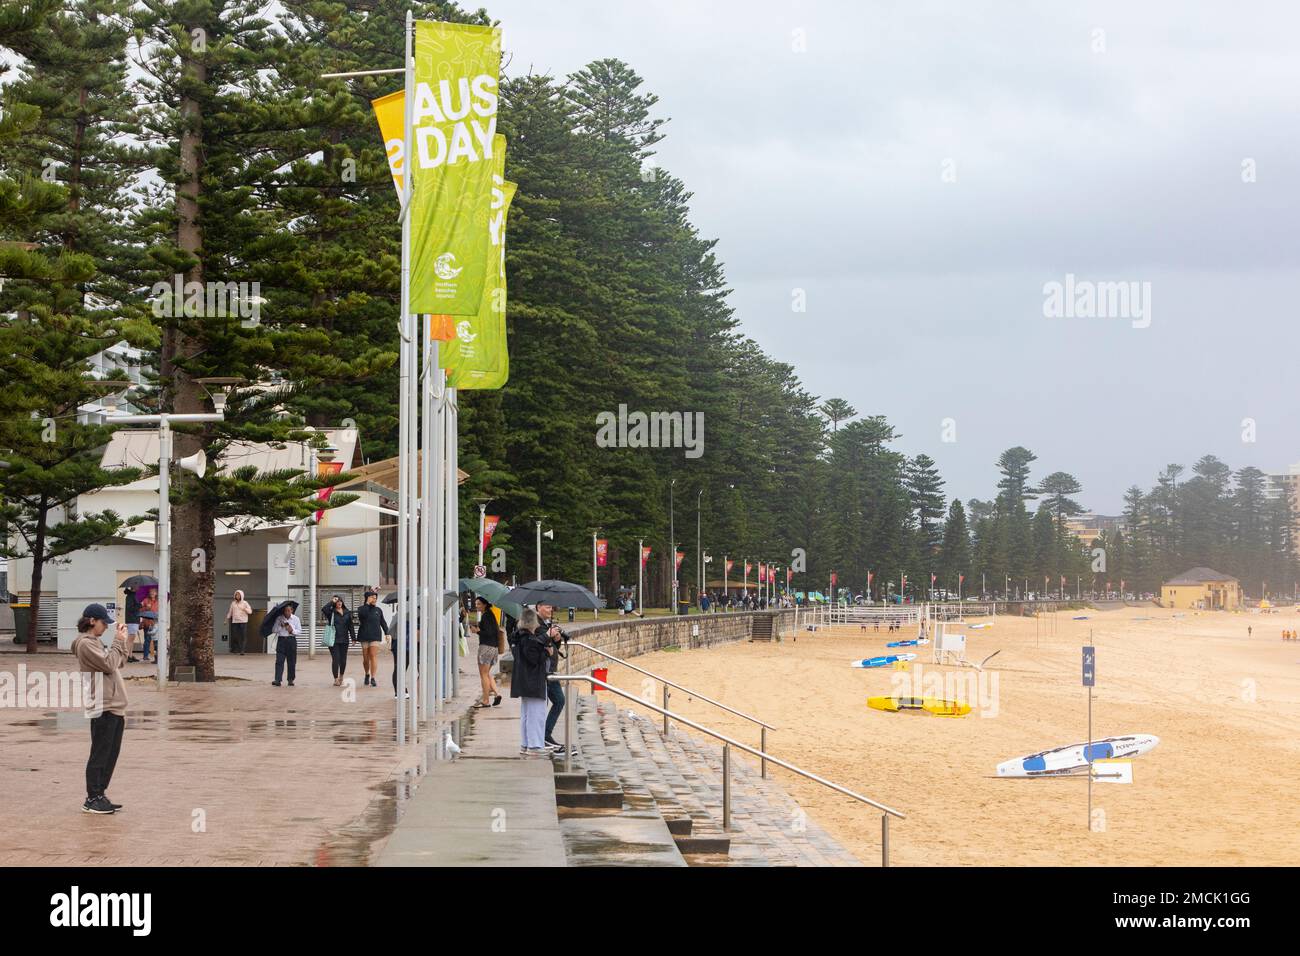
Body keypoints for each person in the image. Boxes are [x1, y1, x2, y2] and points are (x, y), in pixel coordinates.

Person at [72, 603, 129, 814]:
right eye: (103, 623)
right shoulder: (85, 644)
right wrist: (117, 642)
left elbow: (118, 662)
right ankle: (92, 797)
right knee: (100, 753)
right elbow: (108, 665)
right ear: (91, 621)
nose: (106, 627)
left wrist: (123, 641)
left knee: (110, 754)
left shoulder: (96, 643)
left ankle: (100, 794)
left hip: (114, 706)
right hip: (102, 706)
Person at [510, 608, 551, 756]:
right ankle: (534, 746)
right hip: (533, 681)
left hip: (523, 681)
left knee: (527, 714)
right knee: (536, 714)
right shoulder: (529, 639)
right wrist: (547, 652)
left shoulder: (517, 636)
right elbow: (533, 659)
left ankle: (526, 744)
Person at [535, 601, 569, 752]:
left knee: (556, 701)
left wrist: (557, 640)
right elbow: (537, 645)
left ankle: (544, 735)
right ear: (538, 608)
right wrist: (549, 635)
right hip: (545, 671)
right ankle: (545, 735)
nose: (550, 609)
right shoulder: (536, 624)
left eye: (551, 607)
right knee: (558, 701)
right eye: (547, 607)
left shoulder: (545, 624)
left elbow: (554, 648)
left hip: (550, 669)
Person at [469, 596, 503, 708]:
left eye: (479, 604)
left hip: (486, 647)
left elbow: (488, 633)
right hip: (493, 647)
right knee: (487, 674)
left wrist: (477, 631)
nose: (477, 606)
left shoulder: (487, 616)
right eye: (476, 604)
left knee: (483, 675)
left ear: (484, 604)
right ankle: (497, 694)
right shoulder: (490, 615)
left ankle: (486, 700)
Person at [322, 595, 355, 686]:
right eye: (337, 601)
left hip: (344, 639)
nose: (339, 602)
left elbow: (350, 626)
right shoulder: (331, 612)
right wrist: (331, 601)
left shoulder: (347, 612)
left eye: (340, 600)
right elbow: (324, 609)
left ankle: (341, 676)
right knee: (336, 659)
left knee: (343, 660)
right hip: (333, 640)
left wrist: (353, 638)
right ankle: (336, 679)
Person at [356, 591, 387, 687]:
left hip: (375, 635)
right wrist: (367, 604)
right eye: (372, 597)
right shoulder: (361, 609)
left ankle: (373, 677)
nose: (375, 599)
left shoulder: (378, 610)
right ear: (367, 598)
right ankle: (367, 674)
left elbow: (383, 622)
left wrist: (387, 633)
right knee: (366, 658)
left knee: (373, 655)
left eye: (375, 598)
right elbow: (362, 616)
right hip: (364, 635)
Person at [271, 603, 301, 686]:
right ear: (283, 611)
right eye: (285, 610)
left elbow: (299, 631)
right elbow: (274, 630)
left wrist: (292, 631)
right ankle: (278, 679)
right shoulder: (279, 618)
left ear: (292, 610)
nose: (287, 612)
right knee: (279, 661)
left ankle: (290, 679)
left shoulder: (296, 619)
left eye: (289, 610)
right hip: (281, 641)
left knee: (291, 661)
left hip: (291, 640)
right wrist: (280, 626)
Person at [225, 589, 252, 656]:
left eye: (238, 595)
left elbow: (250, 612)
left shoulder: (245, 603)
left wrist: (244, 609)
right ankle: (236, 648)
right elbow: (230, 612)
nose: (237, 596)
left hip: (243, 621)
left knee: (243, 636)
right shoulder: (233, 603)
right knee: (235, 636)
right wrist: (226, 619)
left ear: (241, 595)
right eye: (236, 595)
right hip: (235, 621)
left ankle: (242, 650)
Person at [122, 585, 141, 663]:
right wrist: (139, 605)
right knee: (130, 638)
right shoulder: (130, 596)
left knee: (132, 639)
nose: (139, 588)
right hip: (131, 620)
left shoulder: (134, 595)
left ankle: (130, 655)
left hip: (134, 619)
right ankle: (127, 656)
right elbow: (130, 608)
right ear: (134, 587)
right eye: (138, 586)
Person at [140, 587, 158, 662]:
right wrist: (146, 608)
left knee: (156, 641)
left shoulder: (159, 601)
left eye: (154, 592)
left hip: (156, 623)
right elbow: (140, 610)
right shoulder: (145, 600)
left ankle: (156, 657)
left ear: (156, 593)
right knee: (147, 640)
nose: (152, 593)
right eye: (151, 592)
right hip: (147, 623)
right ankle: (145, 656)